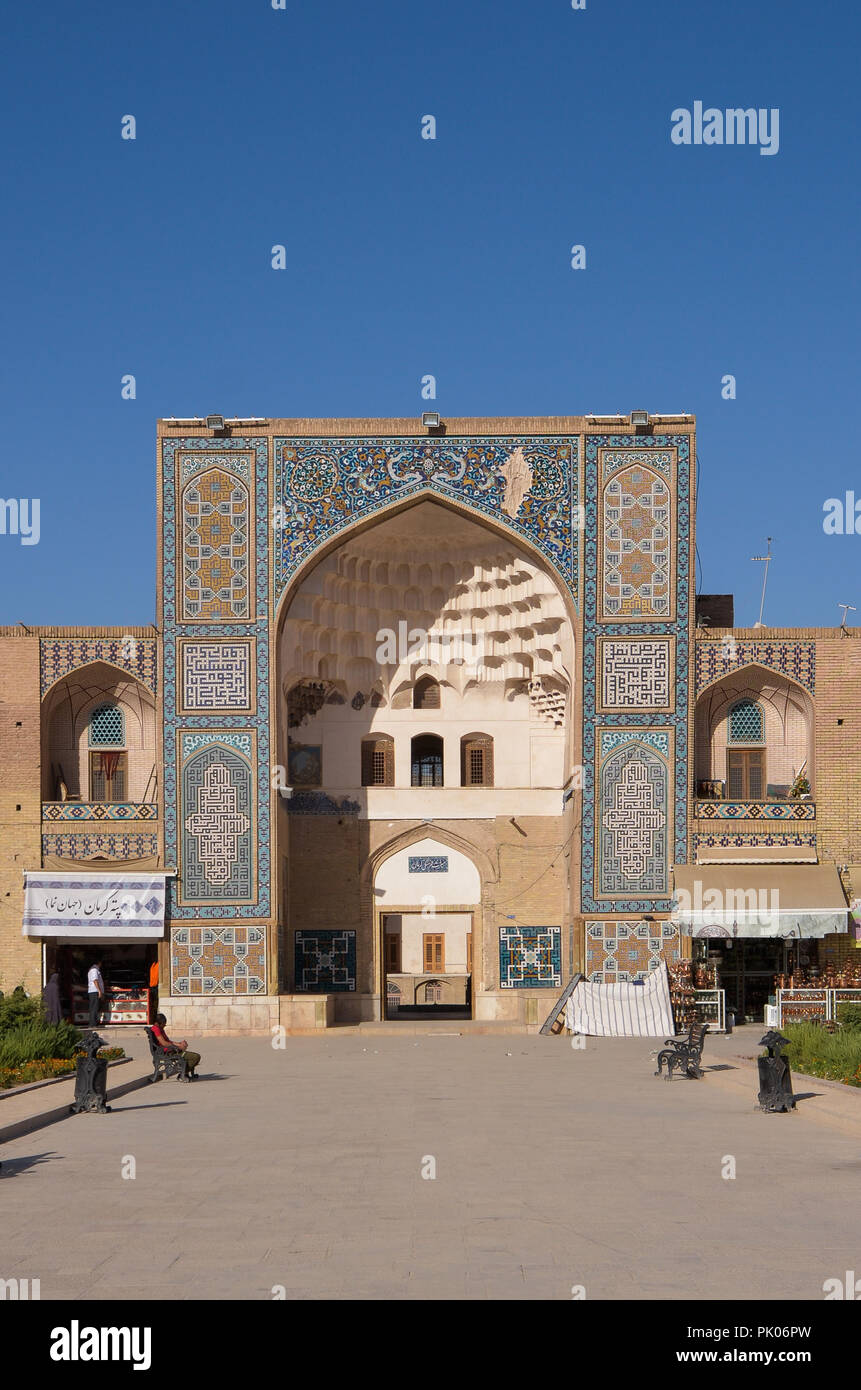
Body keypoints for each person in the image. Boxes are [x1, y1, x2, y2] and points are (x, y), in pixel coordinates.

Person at [151, 1013, 201, 1079]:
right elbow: (164, 1043)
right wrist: (178, 1047)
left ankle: (184, 1073)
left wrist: (180, 1044)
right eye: (164, 1024)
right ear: (159, 1023)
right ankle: (183, 1073)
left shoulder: (159, 1028)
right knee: (196, 1057)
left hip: (170, 1050)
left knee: (192, 1056)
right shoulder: (156, 1029)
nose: (164, 1026)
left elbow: (168, 1042)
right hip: (168, 1052)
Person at [87, 960, 105, 1027]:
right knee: (94, 1007)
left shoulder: (93, 970)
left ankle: (93, 1023)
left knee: (94, 1007)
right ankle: (92, 1024)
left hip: (93, 991)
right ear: (99, 963)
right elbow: (95, 980)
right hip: (94, 991)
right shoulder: (94, 970)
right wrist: (99, 991)